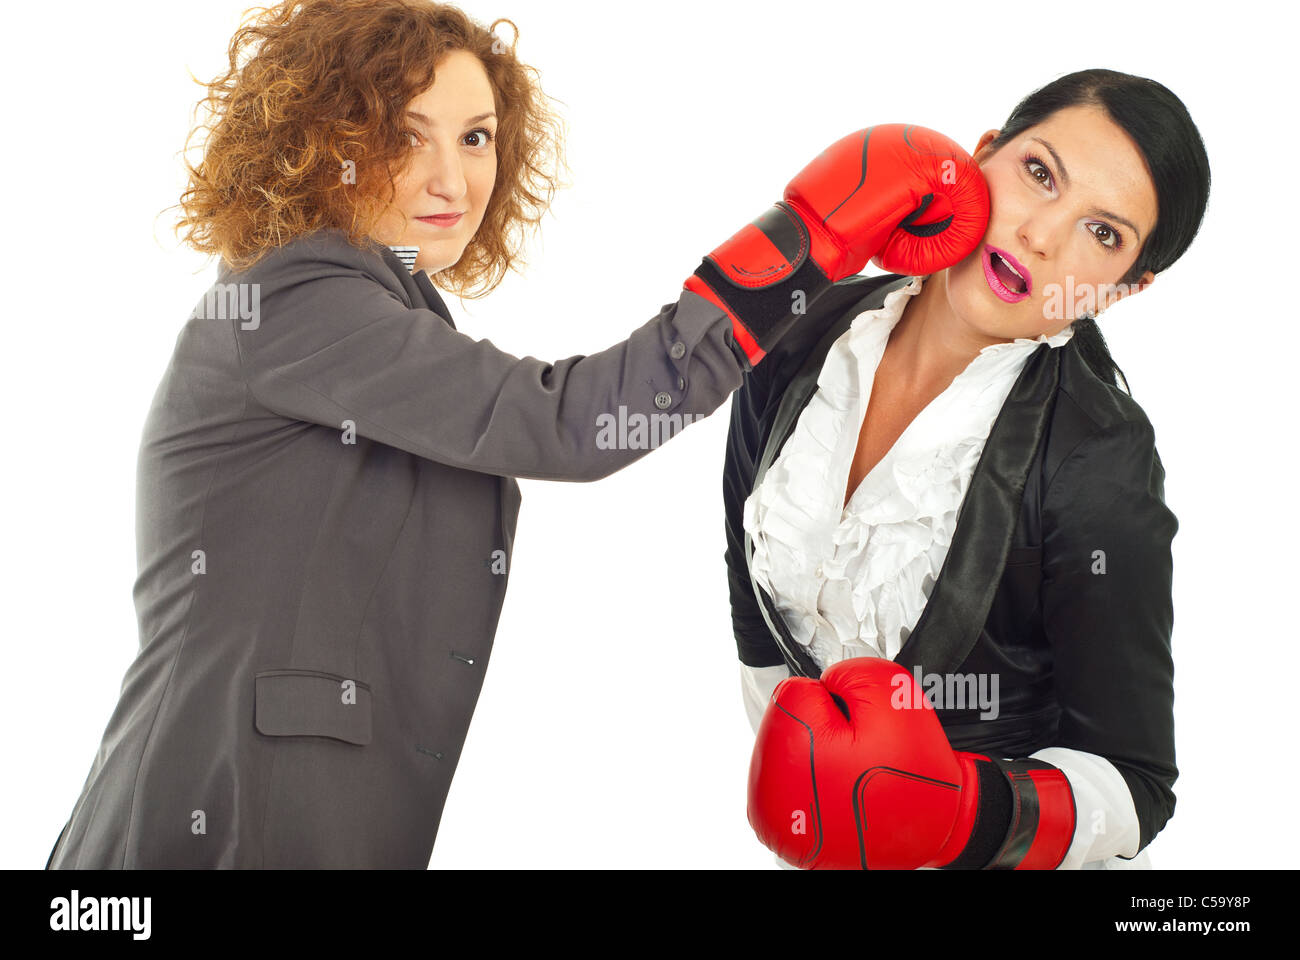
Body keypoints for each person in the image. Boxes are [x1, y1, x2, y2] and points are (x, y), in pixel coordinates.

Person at [44, 0, 989, 868]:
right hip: (221, 817)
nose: (452, 178)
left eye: (476, 136)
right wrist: (805, 241)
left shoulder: (377, 309)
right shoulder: (295, 297)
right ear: (318, 138)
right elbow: (569, 422)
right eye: (402, 136)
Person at [727, 69, 1211, 869]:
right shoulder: (798, 333)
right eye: (1039, 173)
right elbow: (747, 579)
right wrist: (803, 766)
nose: (1044, 235)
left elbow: (1138, 782)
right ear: (981, 156)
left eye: (1103, 234)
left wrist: (957, 815)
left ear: (1122, 290)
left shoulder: (1101, 460)